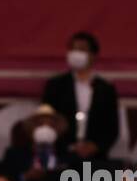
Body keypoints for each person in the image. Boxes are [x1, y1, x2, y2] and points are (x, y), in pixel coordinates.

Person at [42, 32, 119, 161]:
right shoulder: (55, 86)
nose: (75, 53)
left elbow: (112, 127)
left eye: (82, 49)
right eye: (73, 49)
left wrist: (95, 146)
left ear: (93, 55)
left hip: (95, 159)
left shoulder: (105, 89)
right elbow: (46, 119)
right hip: (62, 156)